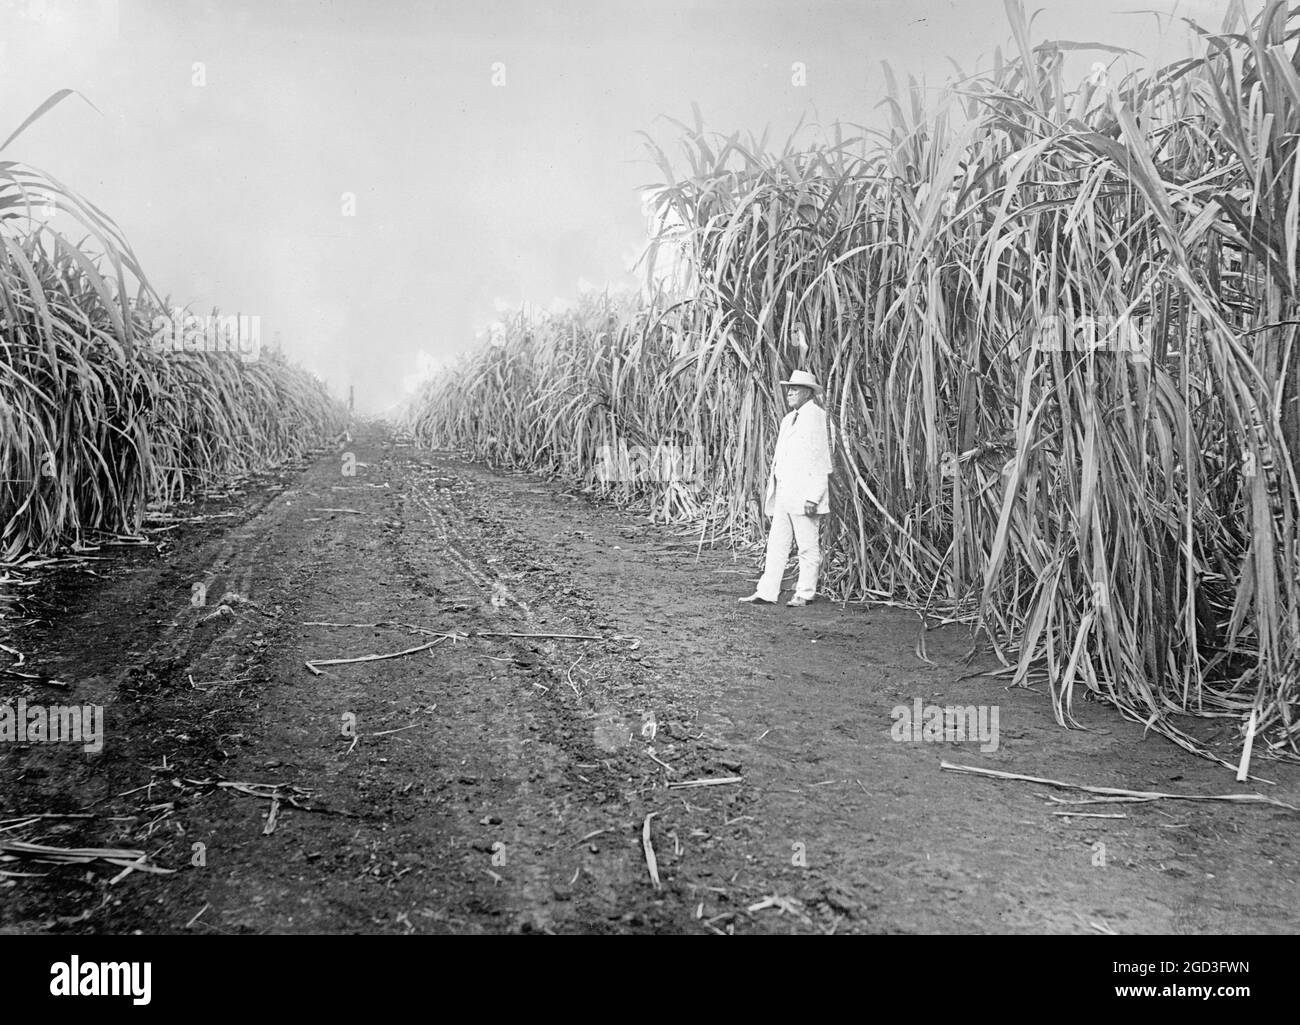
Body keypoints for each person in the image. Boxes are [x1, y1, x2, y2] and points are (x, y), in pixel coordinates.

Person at [738, 370, 833, 607]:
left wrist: (814, 496)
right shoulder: (788, 419)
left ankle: (805, 592)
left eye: (795, 388)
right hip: (784, 492)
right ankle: (767, 591)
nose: (789, 392)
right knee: (777, 543)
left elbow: (823, 460)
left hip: (804, 495)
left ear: (809, 392)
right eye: (789, 388)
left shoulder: (819, 418)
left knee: (807, 544)